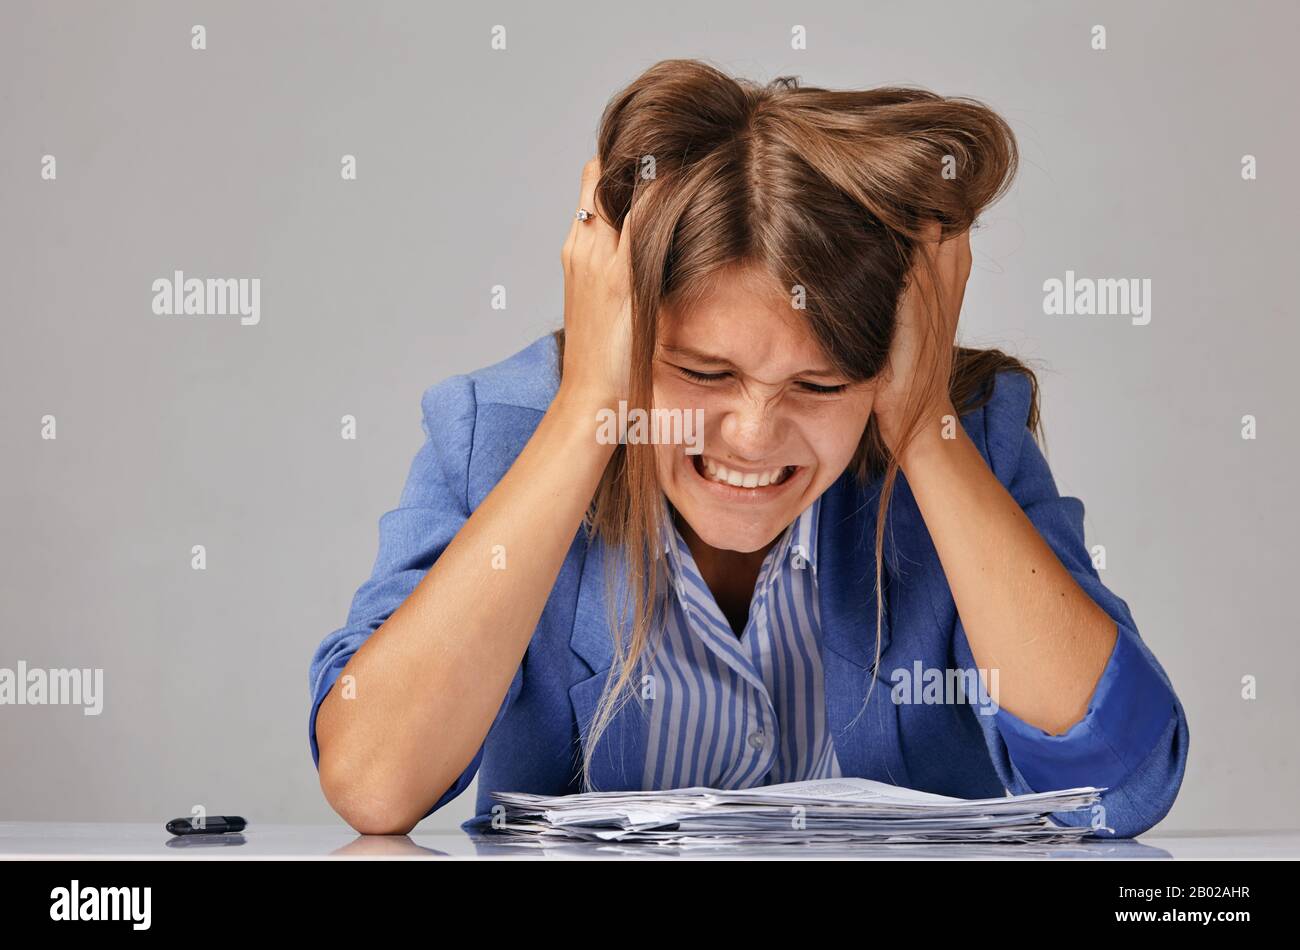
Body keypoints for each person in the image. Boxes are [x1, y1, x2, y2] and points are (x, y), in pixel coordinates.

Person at [307, 59, 1187, 838]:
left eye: (819, 385)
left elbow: (1121, 783)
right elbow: (374, 783)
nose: (754, 435)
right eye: (702, 371)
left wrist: (922, 427)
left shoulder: (964, 430)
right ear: (622, 326)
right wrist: (587, 411)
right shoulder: (496, 432)